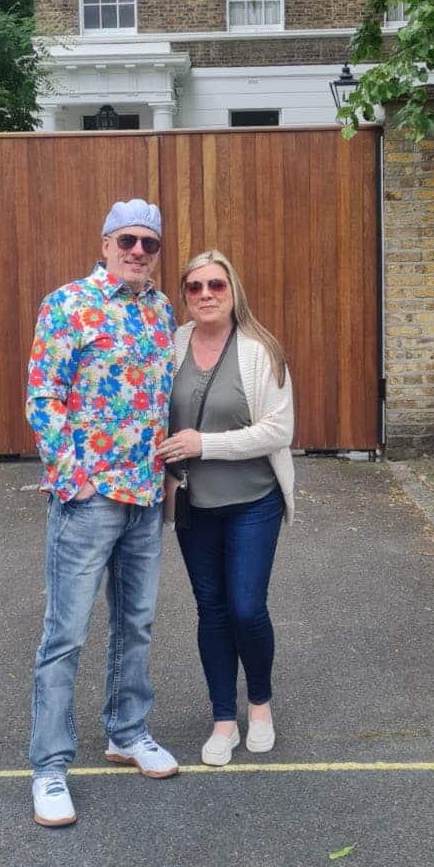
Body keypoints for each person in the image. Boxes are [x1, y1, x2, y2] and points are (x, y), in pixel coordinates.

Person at [25, 199, 179, 828]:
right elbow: (44, 395)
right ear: (106, 242)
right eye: (128, 241)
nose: (138, 251)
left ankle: (127, 731)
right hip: (89, 499)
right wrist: (73, 478)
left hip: (146, 495)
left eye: (149, 243)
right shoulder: (68, 304)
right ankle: (49, 766)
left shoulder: (161, 310)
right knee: (66, 634)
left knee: (136, 623)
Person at [156, 251, 295, 766]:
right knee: (211, 610)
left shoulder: (261, 351)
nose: (206, 295)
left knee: (246, 607)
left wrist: (204, 445)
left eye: (216, 285)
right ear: (185, 295)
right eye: (194, 287)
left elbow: (278, 431)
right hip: (194, 505)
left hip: (253, 502)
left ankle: (259, 706)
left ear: (233, 291)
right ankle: (222, 718)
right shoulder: (170, 344)